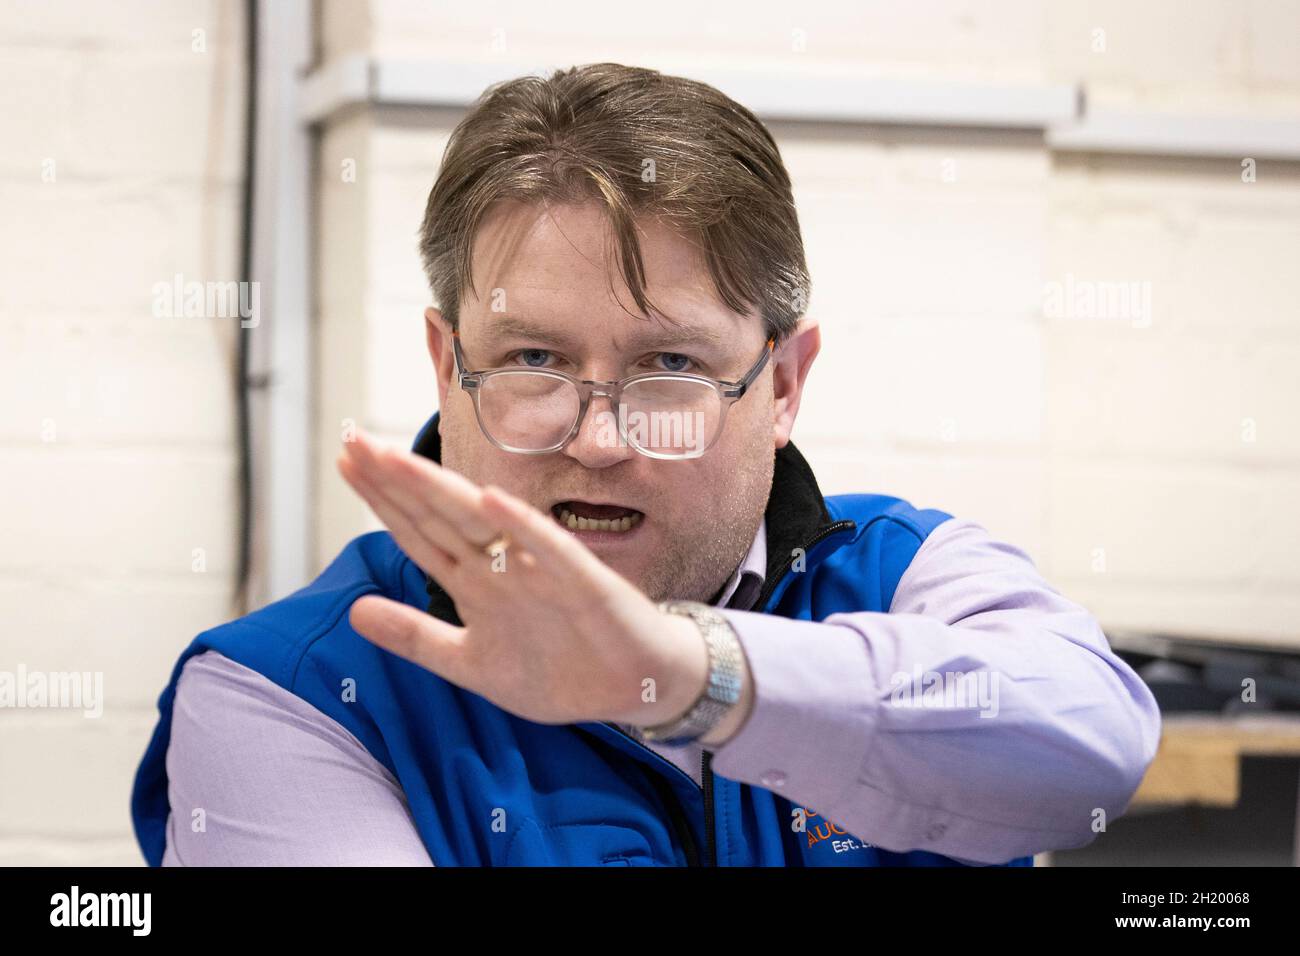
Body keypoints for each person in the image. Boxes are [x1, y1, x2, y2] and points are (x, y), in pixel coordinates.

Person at [131, 62, 1161, 867]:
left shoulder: (906, 573)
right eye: (534, 359)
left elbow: (1092, 754)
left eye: (668, 364)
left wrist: (685, 674)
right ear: (448, 368)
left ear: (784, 384)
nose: (598, 437)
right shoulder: (288, 689)